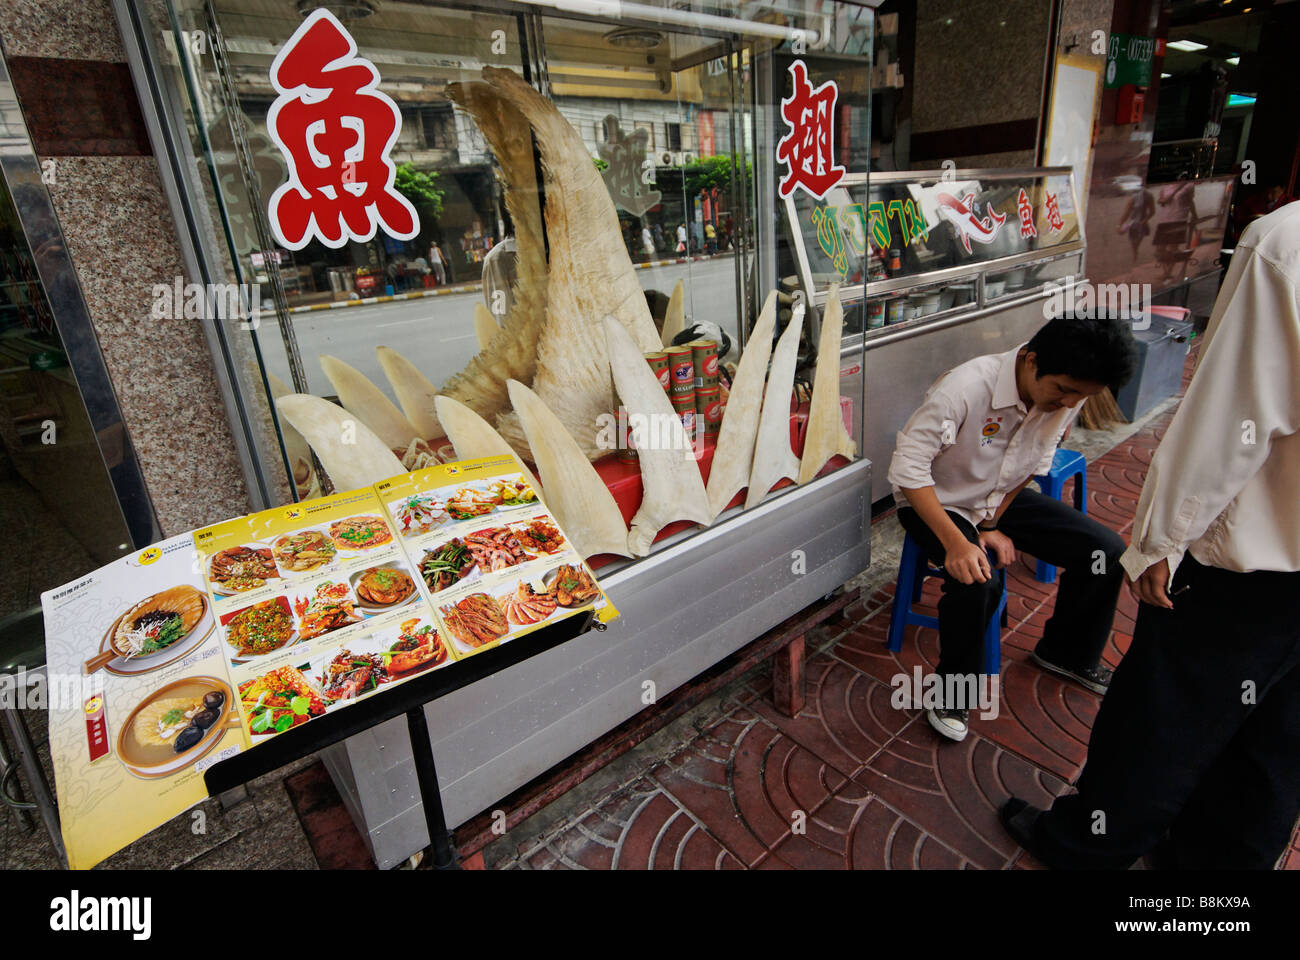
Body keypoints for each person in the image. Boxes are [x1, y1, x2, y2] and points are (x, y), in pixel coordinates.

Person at [1001, 201, 1300, 870]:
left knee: (1163, 715)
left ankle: (1088, 844)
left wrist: (1163, 535)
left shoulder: (1285, 244)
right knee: (1278, 738)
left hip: (1253, 565)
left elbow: (1232, 416)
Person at [888, 315, 1138, 742]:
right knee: (976, 581)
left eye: (1079, 396)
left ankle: (1066, 653)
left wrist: (990, 523)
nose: (1067, 403)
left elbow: (1033, 463)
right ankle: (953, 692)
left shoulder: (1068, 393)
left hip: (997, 497)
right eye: (1062, 390)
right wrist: (957, 541)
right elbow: (908, 471)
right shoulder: (966, 388)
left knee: (1106, 552)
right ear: (1031, 360)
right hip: (936, 499)